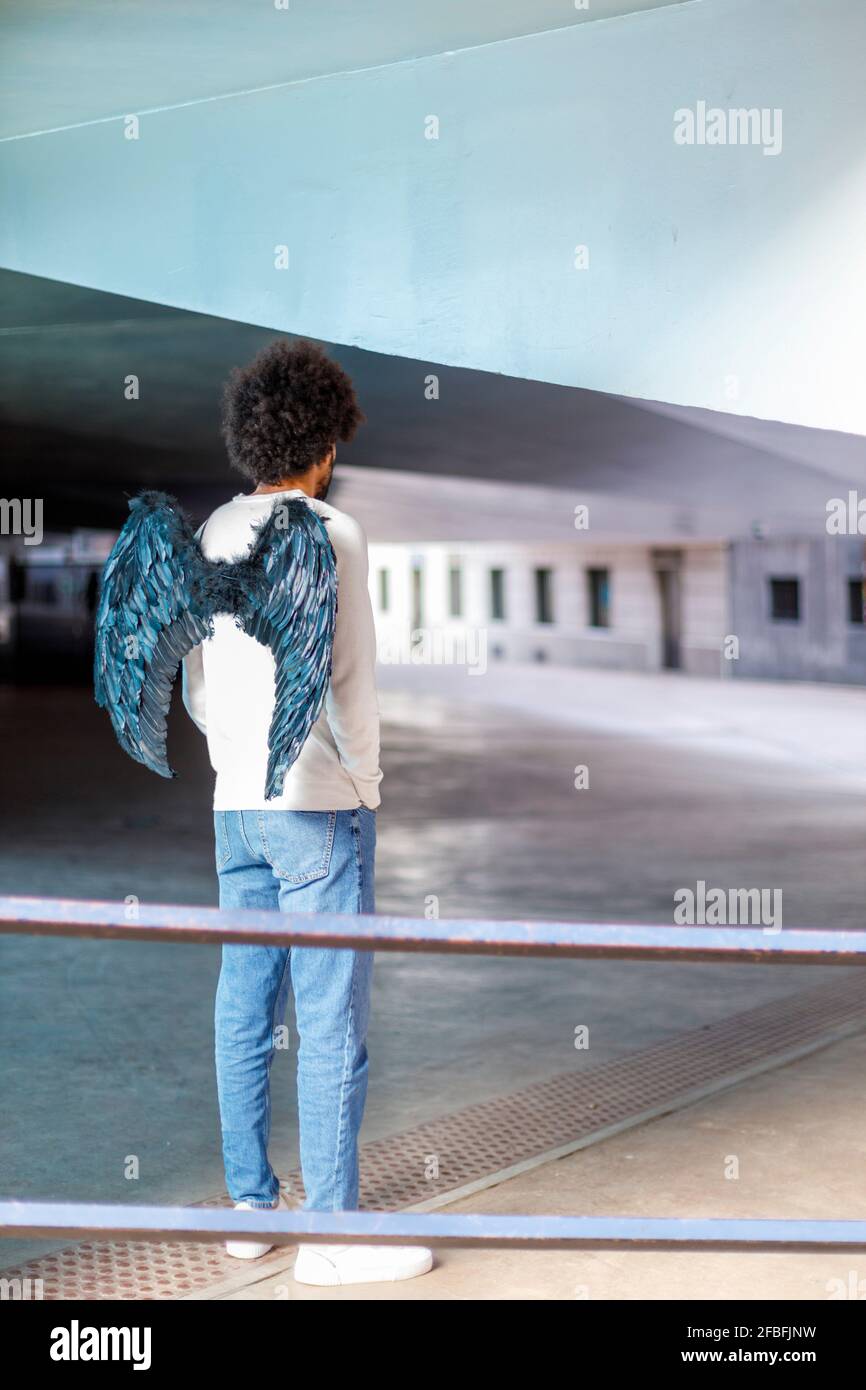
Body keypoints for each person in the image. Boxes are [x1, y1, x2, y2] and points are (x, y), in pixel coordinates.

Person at [182, 338, 432, 1287]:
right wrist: (363, 785)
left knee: (244, 1003)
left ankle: (251, 1211)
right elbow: (347, 683)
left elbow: (199, 684)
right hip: (317, 809)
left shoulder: (211, 531)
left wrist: (233, 755)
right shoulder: (332, 533)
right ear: (323, 445)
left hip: (233, 809)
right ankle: (332, 1237)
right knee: (330, 1018)